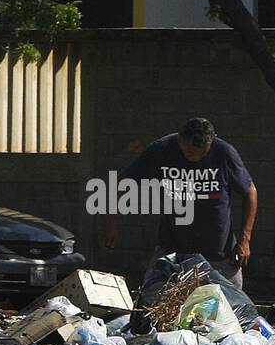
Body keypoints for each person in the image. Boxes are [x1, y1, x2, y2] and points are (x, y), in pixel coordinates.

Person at [100, 117, 258, 288]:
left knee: (233, 306)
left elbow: (250, 192)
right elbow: (123, 184)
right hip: (173, 246)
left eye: (202, 153)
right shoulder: (161, 149)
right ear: (180, 140)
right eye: (189, 152)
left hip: (218, 250)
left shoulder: (224, 153)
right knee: (151, 297)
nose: (195, 158)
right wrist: (112, 223)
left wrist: (245, 239)